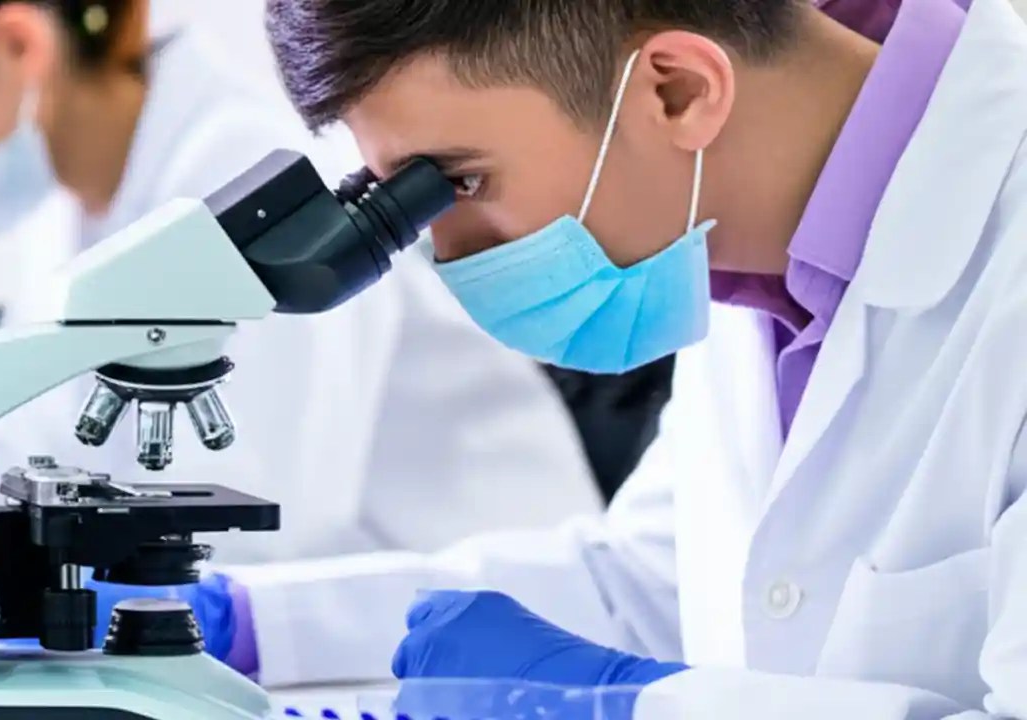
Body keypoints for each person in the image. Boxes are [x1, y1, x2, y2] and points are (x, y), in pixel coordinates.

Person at [165, 0, 1027, 715]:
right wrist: (249, 623)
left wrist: (631, 705)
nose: (447, 253)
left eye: (457, 183)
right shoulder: (735, 242)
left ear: (678, 90)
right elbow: (648, 585)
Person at [0, 0, 609, 633]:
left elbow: (273, 512)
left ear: (16, 44)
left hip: (483, 619)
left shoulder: (246, 165)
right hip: (317, 630)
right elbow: (23, 442)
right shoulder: (76, 210)